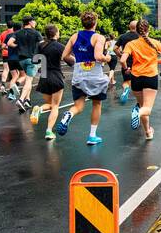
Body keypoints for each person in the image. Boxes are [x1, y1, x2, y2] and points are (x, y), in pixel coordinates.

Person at [55, 11, 112, 145]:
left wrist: (76, 61)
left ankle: (69, 114)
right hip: (94, 76)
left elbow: (64, 56)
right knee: (96, 104)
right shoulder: (98, 37)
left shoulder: (74, 36)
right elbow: (98, 56)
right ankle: (92, 136)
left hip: (79, 75)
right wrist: (107, 58)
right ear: (95, 23)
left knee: (78, 106)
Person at [118, 20, 161, 140]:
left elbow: (122, 60)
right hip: (150, 76)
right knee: (146, 108)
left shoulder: (131, 44)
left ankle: (148, 132)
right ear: (149, 30)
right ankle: (137, 113)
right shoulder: (156, 42)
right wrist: (155, 61)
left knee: (142, 105)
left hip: (136, 77)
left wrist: (126, 69)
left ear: (136, 30)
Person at [29, 24, 66, 140]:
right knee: (55, 106)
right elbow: (71, 61)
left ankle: (39, 109)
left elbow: (34, 61)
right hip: (56, 76)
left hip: (44, 76)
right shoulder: (60, 46)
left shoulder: (40, 45)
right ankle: (49, 131)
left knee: (50, 104)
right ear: (56, 34)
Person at [13, 16, 41, 112]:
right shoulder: (36, 33)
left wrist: (18, 46)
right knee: (29, 81)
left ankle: (27, 100)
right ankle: (21, 100)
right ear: (30, 22)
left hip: (21, 60)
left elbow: (9, 43)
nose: (35, 23)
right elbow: (42, 44)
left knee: (27, 80)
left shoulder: (18, 33)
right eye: (34, 21)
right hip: (32, 59)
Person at [115, 20, 139, 103]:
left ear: (129, 27)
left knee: (126, 81)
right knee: (138, 81)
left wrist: (120, 56)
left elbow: (115, 48)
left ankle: (126, 89)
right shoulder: (140, 37)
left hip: (126, 61)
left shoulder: (123, 36)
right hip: (138, 62)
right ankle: (139, 100)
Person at [0, 21, 21, 99]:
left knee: (11, 74)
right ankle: (16, 86)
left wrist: (8, 47)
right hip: (18, 58)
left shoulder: (6, 34)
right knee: (23, 75)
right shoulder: (20, 35)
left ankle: (10, 93)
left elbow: (2, 46)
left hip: (8, 57)